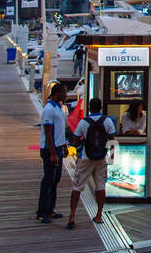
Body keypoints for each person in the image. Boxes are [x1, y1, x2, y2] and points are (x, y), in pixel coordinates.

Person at [68, 97, 116, 227]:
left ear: (89, 107)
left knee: (77, 186)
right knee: (101, 186)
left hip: (86, 157)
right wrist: (111, 157)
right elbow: (112, 140)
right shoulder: (108, 121)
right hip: (101, 158)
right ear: (101, 107)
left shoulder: (84, 122)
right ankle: (99, 215)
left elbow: (75, 140)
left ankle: (72, 215)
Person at [37, 82, 69, 224]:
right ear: (57, 93)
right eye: (64, 92)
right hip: (50, 149)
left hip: (59, 147)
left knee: (55, 180)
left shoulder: (60, 108)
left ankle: (50, 209)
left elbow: (60, 130)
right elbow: (48, 133)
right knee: (48, 180)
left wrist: (64, 146)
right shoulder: (48, 109)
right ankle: (41, 212)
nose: (66, 95)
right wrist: (52, 153)